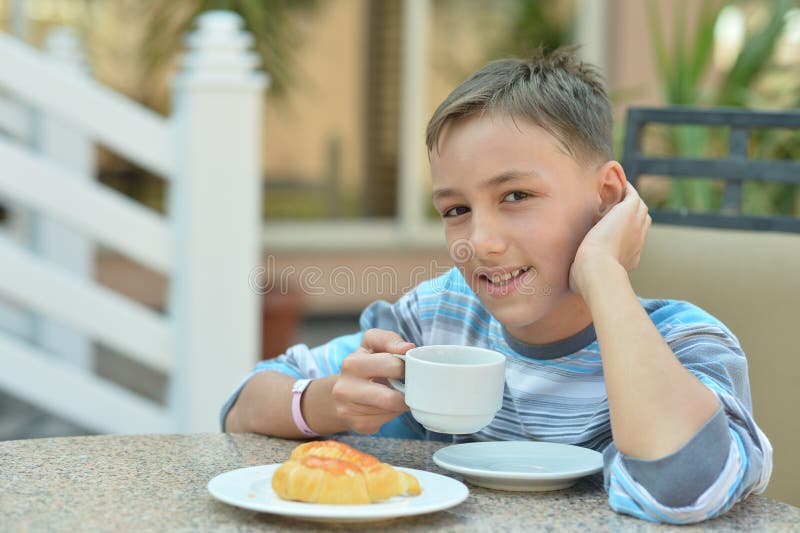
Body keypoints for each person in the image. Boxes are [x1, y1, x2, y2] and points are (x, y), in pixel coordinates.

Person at [221, 47, 772, 524]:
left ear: (607, 197)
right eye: (456, 209)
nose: (480, 241)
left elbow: (684, 489)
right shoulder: (438, 321)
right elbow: (243, 407)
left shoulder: (683, 344)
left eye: (515, 196)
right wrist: (330, 404)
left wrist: (603, 273)